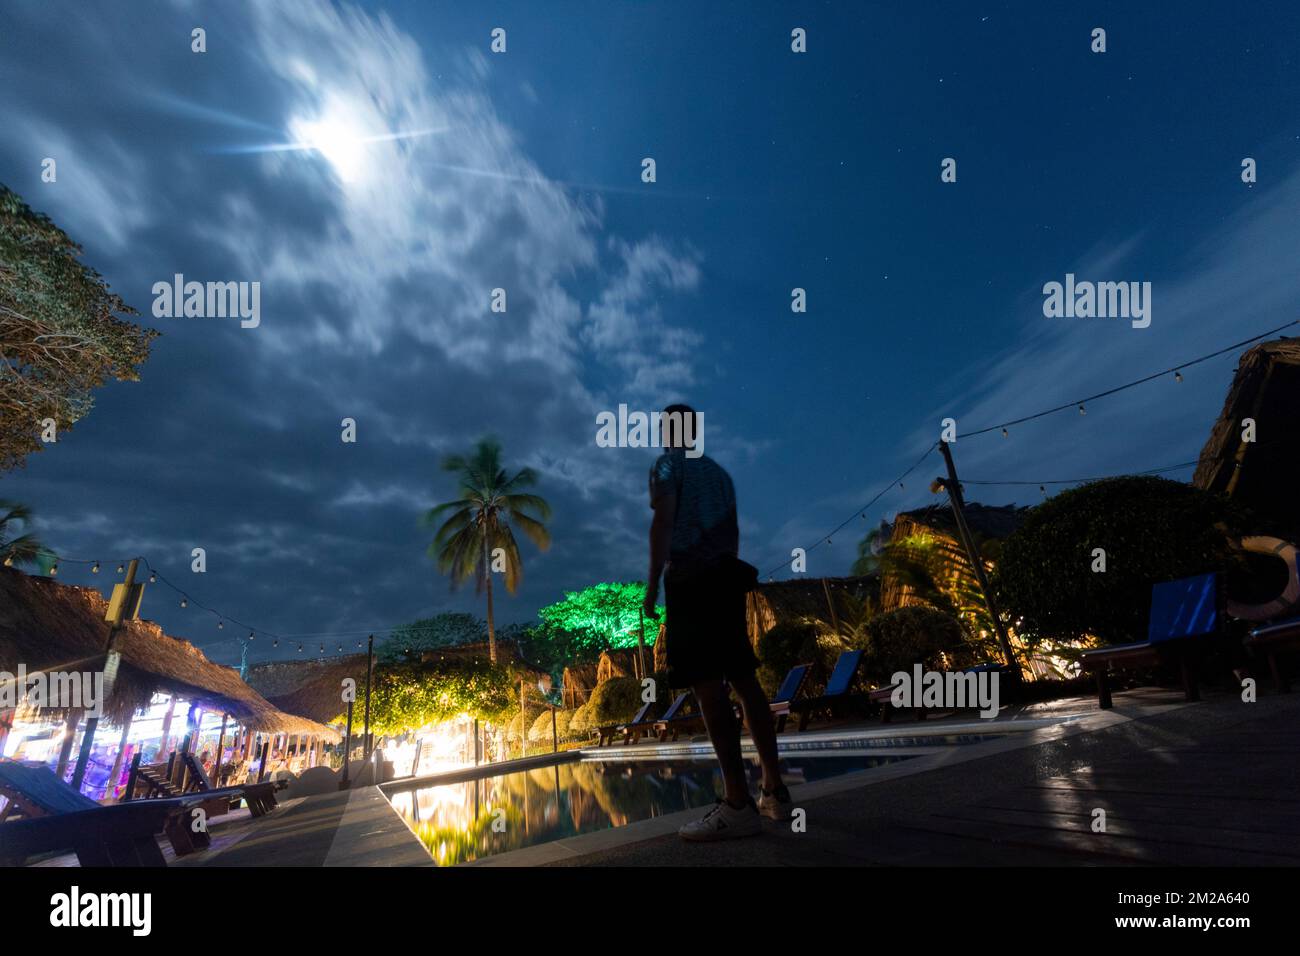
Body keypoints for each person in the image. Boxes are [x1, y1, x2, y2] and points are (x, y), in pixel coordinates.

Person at [643, 404, 791, 841]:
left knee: (708, 687)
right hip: (726, 577)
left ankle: (737, 802)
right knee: (744, 680)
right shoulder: (720, 475)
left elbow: (663, 523)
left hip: (691, 580)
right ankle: (775, 791)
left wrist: (652, 584)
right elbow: (732, 535)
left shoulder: (667, 465)